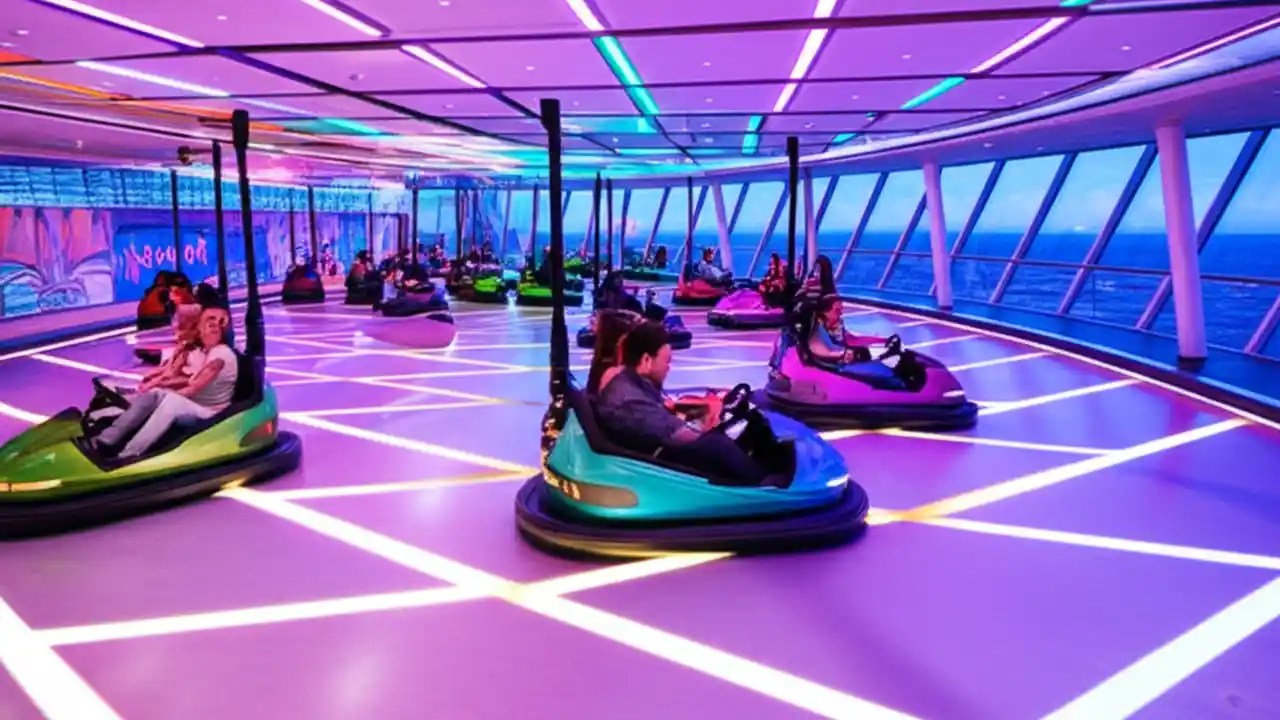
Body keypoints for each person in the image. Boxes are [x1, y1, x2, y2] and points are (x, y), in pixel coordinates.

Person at [595, 321, 782, 485]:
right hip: (658, 463)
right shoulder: (630, 403)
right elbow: (677, 434)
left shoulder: (628, 383)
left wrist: (694, 412)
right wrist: (711, 425)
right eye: (666, 362)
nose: (668, 369)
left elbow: (663, 416)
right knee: (719, 445)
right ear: (646, 360)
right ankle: (764, 485)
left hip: (651, 450)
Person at [94, 307, 239, 459]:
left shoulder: (220, 354)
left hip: (211, 413)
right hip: (195, 404)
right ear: (200, 326)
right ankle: (107, 440)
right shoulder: (204, 351)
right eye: (210, 320)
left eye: (220, 322)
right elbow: (182, 377)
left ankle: (129, 455)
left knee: (171, 401)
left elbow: (193, 388)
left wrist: (166, 394)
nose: (215, 324)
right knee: (155, 395)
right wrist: (157, 390)